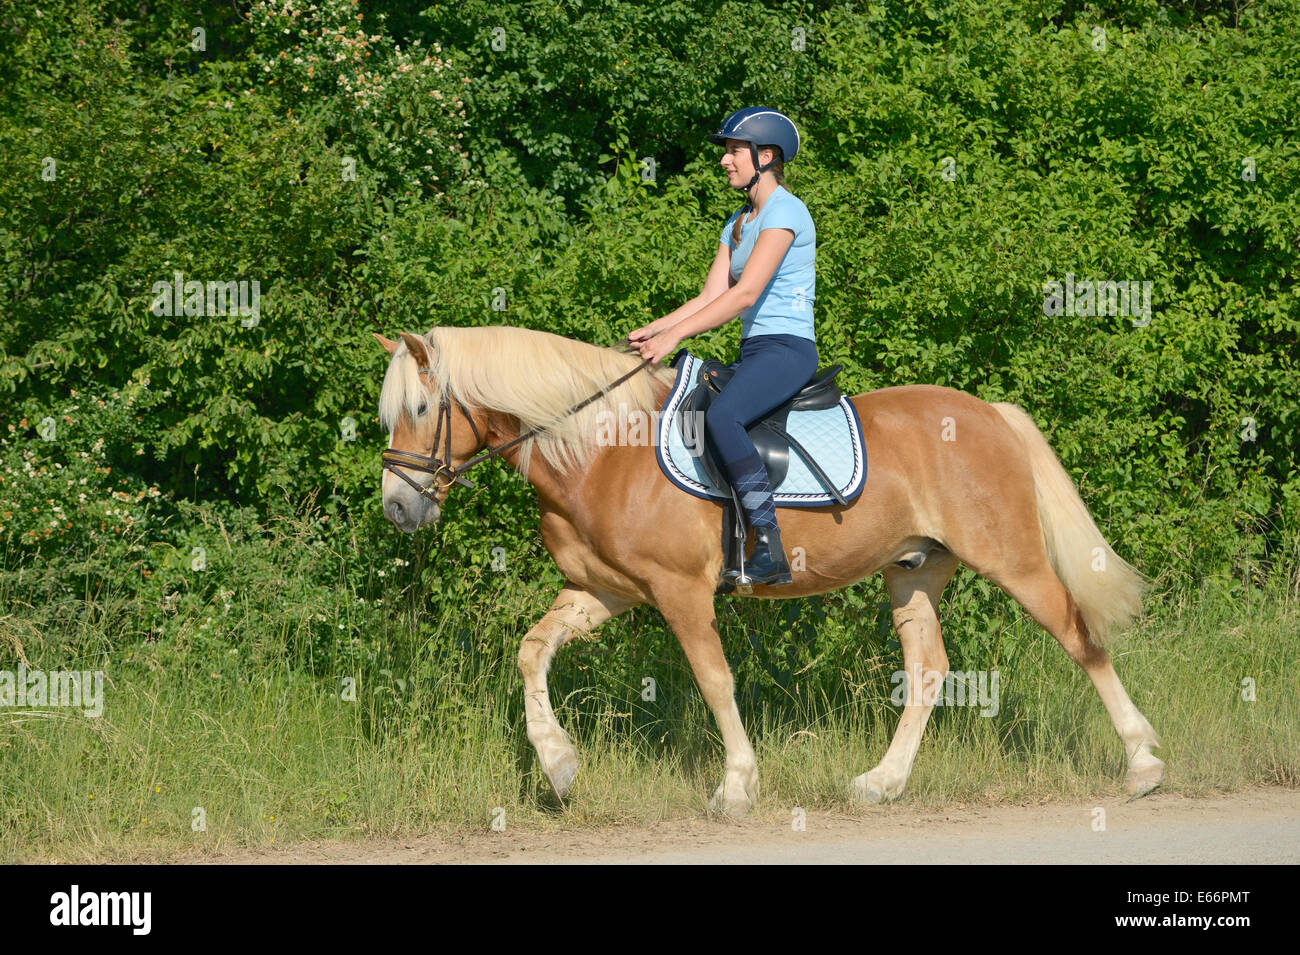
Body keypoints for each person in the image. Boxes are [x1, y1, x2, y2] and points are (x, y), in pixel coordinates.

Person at [629, 107, 817, 586]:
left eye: (734, 151)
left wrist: (677, 336)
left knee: (721, 417)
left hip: (788, 349)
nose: (725, 161)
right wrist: (656, 329)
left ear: (765, 155)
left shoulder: (786, 212)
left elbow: (745, 293)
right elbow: (711, 295)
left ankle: (770, 546)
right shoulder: (738, 221)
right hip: (755, 351)